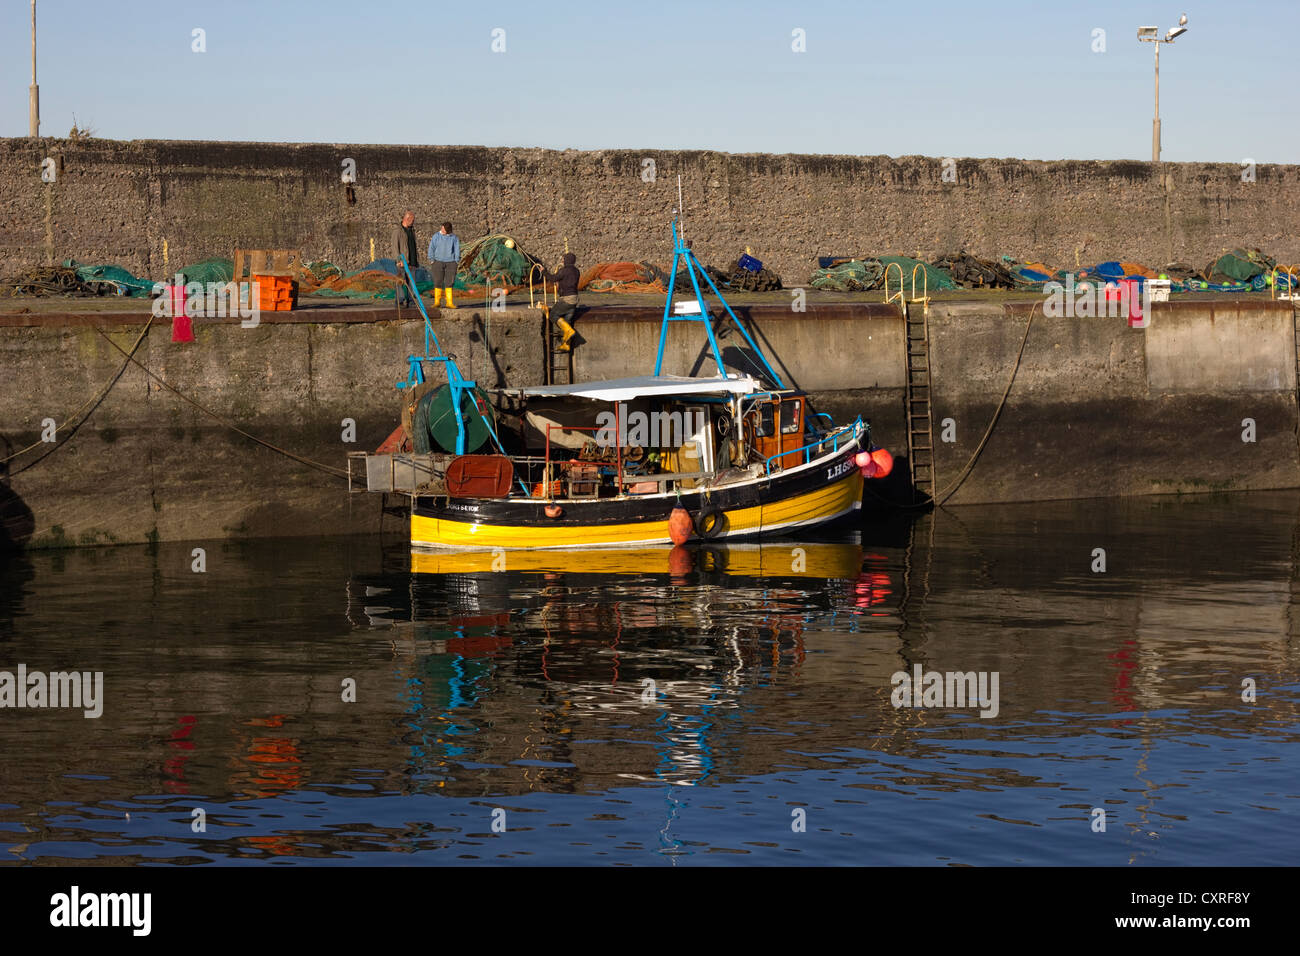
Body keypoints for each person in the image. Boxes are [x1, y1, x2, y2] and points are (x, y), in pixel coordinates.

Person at [543, 252, 580, 350]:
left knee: (553, 315)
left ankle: (569, 331)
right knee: (567, 321)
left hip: (566, 299)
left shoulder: (563, 271)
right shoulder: (577, 271)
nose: (562, 261)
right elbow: (568, 282)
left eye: (563, 259)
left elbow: (552, 278)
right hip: (575, 299)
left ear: (566, 260)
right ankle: (566, 345)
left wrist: (544, 271)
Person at [427, 221, 460, 309]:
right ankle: (437, 302)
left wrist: (456, 260)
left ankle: (449, 302)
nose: (442, 230)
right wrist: (431, 259)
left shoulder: (454, 238)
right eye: (442, 228)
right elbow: (431, 247)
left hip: (451, 262)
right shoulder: (436, 236)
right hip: (437, 261)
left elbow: (457, 249)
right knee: (438, 281)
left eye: (444, 229)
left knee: (449, 282)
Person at [390, 210, 420, 308]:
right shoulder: (397, 231)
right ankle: (400, 301)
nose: (413, 222)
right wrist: (399, 260)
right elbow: (394, 247)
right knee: (400, 282)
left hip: (412, 262)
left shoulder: (412, 230)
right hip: (402, 262)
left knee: (412, 283)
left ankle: (411, 301)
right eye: (412, 220)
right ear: (407, 219)